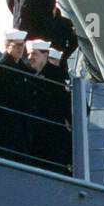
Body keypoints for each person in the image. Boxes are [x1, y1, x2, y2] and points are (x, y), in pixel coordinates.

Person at [0, 29, 34, 164]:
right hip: (3, 128)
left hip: (21, 129)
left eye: (22, 45)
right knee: (2, 167)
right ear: (7, 46)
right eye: (16, 45)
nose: (20, 49)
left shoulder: (23, 69)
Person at [26, 39, 71, 174]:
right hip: (35, 135)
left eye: (34, 54)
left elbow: (65, 103)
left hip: (52, 137)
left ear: (45, 55)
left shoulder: (57, 76)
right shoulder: (30, 74)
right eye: (29, 54)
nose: (30, 57)